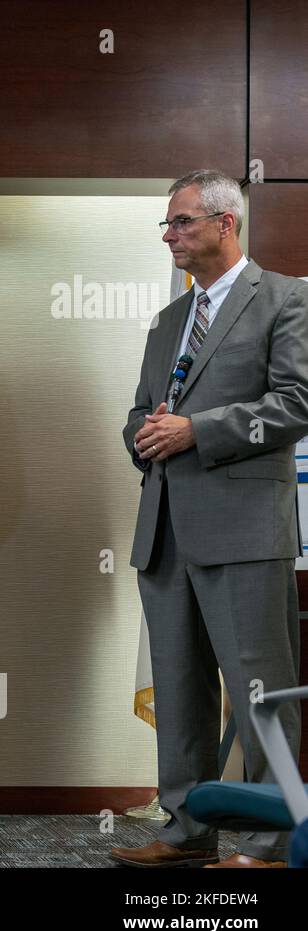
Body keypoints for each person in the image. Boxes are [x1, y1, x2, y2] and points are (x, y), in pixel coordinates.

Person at [112, 170, 308, 868]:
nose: (170, 234)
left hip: (247, 534)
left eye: (182, 221)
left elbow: (295, 403)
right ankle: (187, 829)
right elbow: (142, 410)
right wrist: (144, 433)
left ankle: (270, 839)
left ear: (227, 223)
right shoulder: (170, 320)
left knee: (260, 694)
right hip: (165, 534)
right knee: (180, 691)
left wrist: (200, 429)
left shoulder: (286, 298)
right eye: (167, 224)